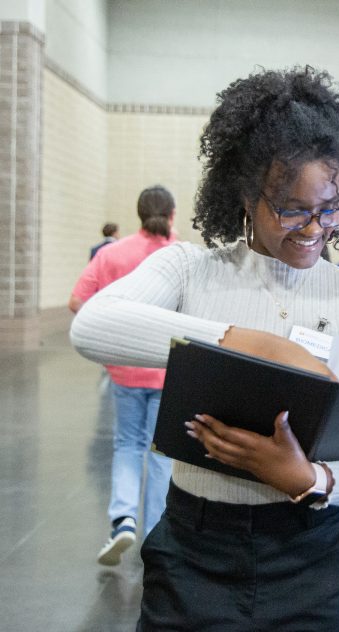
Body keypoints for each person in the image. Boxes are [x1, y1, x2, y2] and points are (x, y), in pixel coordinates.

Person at [71, 67, 339, 630]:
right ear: (247, 194)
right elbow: (93, 326)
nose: (313, 228)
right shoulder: (190, 271)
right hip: (194, 554)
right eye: (290, 208)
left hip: (318, 559)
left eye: (328, 208)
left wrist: (313, 479)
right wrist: (242, 343)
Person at [70, 186, 177, 566]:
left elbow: (77, 301)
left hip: (125, 370)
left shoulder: (112, 254)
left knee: (127, 446)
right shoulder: (182, 257)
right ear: (173, 214)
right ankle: (155, 535)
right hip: (169, 372)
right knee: (162, 453)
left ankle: (122, 520)